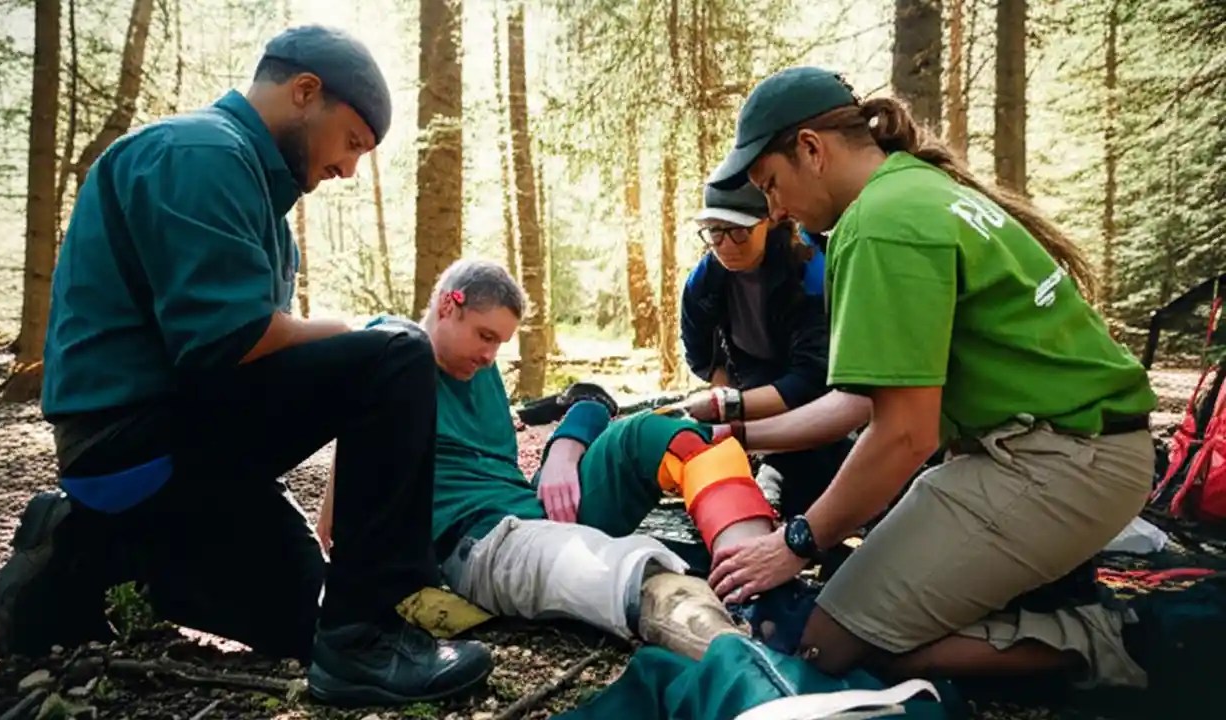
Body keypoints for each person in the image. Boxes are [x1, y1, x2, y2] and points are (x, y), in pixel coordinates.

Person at [0, 25, 492, 707]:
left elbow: (252, 363)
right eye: (352, 143)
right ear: (306, 93)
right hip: (132, 439)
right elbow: (228, 340)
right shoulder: (200, 154)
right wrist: (361, 333)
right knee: (399, 351)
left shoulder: (259, 201)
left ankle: (88, 555)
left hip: (190, 458)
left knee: (303, 614)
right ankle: (368, 637)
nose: (348, 170)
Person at [703, 66, 1158, 689]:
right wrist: (742, 434)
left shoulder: (880, 222)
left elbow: (903, 436)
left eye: (771, 185)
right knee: (858, 610)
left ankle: (1091, 639)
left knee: (819, 648)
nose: (775, 209)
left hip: (1061, 461)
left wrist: (795, 543)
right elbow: (861, 401)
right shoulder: (913, 188)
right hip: (1068, 448)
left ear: (811, 149)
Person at [317, 259, 784, 660]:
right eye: (484, 335)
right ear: (446, 305)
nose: (489, 355)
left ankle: (757, 571)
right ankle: (730, 647)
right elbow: (356, 427)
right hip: (483, 538)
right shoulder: (397, 348)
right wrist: (332, 517)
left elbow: (589, 402)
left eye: (499, 342)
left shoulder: (482, 370)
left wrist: (566, 446)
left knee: (668, 435)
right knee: (617, 571)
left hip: (536, 508)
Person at [680, 180, 869, 516]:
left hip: (832, 388)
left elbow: (814, 376)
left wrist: (732, 408)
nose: (726, 245)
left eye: (739, 231)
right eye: (715, 232)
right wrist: (721, 402)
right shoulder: (704, 283)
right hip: (752, 374)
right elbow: (703, 355)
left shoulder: (810, 270)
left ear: (771, 222)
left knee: (819, 455)